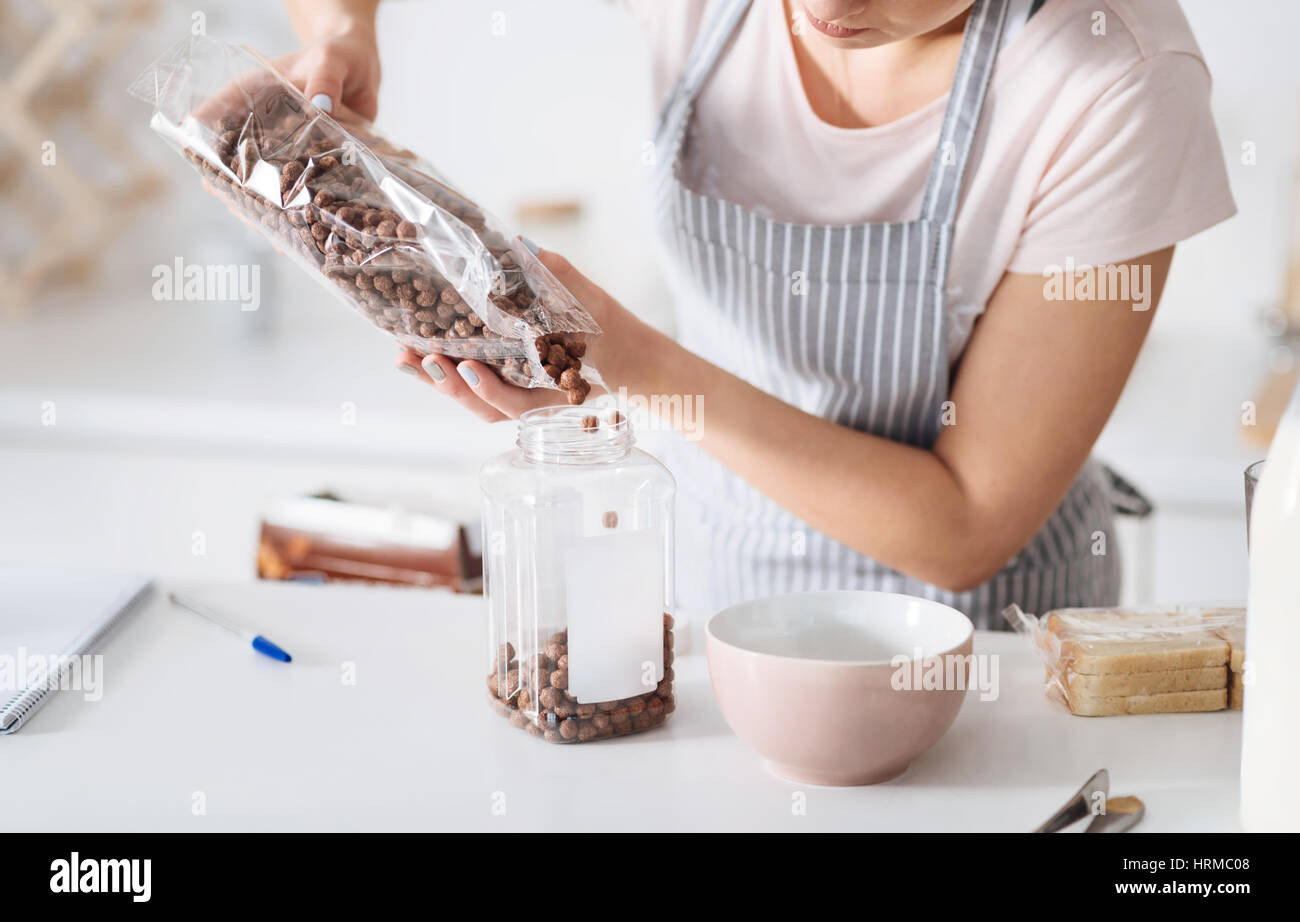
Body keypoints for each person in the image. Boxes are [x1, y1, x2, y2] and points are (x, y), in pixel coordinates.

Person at [279, 0, 1235, 627]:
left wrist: (633, 364)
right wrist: (343, 31)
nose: (826, 7)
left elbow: (964, 524)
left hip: (980, 657)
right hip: (715, 600)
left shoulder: (1115, 79)